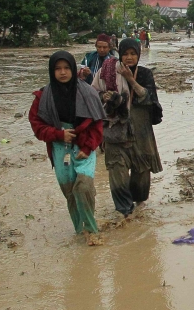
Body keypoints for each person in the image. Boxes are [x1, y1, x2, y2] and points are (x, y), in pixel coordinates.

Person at [29, 51, 106, 244]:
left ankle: (92, 231)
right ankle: (80, 231)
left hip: (84, 146)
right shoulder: (42, 97)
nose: (62, 72)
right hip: (59, 148)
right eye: (57, 69)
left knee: (84, 187)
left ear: (73, 68)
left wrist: (88, 147)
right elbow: (37, 127)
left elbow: (97, 125)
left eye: (66, 68)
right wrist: (58, 134)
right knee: (70, 191)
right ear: (51, 71)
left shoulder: (88, 93)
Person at [92, 38, 163, 217]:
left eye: (133, 54)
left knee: (141, 172)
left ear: (138, 55)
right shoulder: (108, 71)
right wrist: (105, 97)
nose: (129, 57)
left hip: (140, 131)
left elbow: (149, 99)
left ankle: (139, 207)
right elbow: (94, 94)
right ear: (119, 55)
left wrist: (131, 80)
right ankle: (123, 211)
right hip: (116, 130)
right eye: (125, 54)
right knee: (117, 170)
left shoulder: (145, 74)